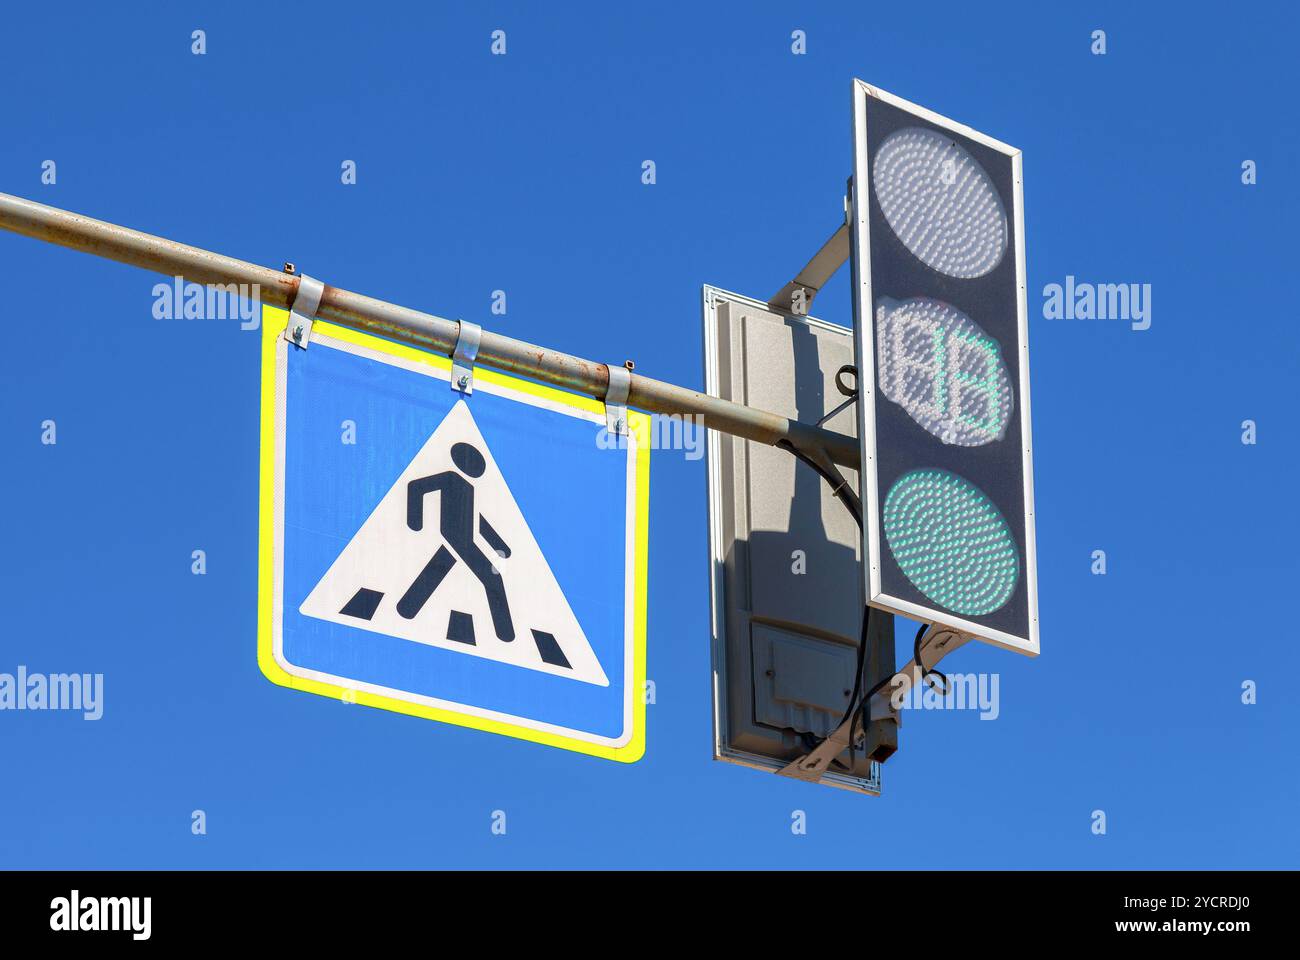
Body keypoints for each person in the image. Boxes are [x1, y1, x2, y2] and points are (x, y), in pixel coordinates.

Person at [396, 442, 514, 642]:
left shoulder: (468, 488)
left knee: (435, 571)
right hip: (455, 537)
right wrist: (415, 521)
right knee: (493, 578)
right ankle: (506, 635)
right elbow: (417, 487)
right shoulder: (450, 478)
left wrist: (499, 545)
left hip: (461, 539)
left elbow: (477, 521)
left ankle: (406, 608)